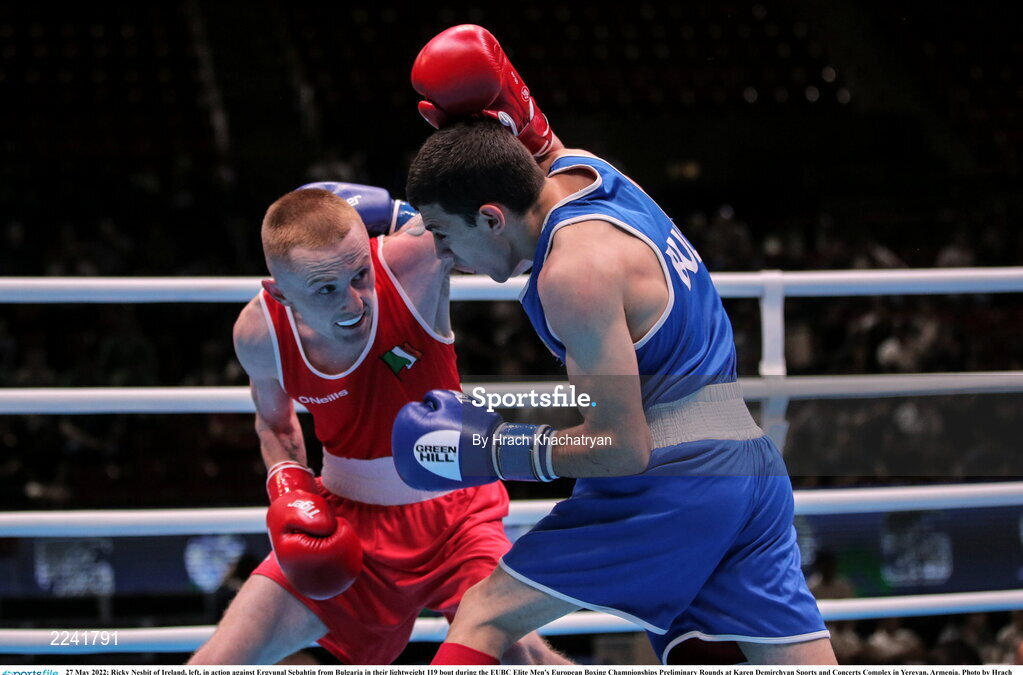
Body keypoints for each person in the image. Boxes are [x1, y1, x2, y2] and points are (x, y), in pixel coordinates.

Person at [391, 25, 837, 666]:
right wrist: (504, 91)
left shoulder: (571, 275)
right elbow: (534, 144)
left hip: (676, 477)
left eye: (442, 232)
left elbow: (623, 447)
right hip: (748, 465)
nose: (440, 253)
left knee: (484, 615)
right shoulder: (588, 175)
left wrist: (496, 449)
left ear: (490, 217)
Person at [189, 182, 565, 665]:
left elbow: (511, 232)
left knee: (522, 655)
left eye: (359, 275)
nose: (354, 301)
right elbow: (276, 427)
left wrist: (408, 213)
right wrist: (289, 491)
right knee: (213, 662)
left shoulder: (410, 264)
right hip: (349, 519)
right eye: (325, 290)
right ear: (280, 294)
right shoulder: (259, 333)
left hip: (457, 516)